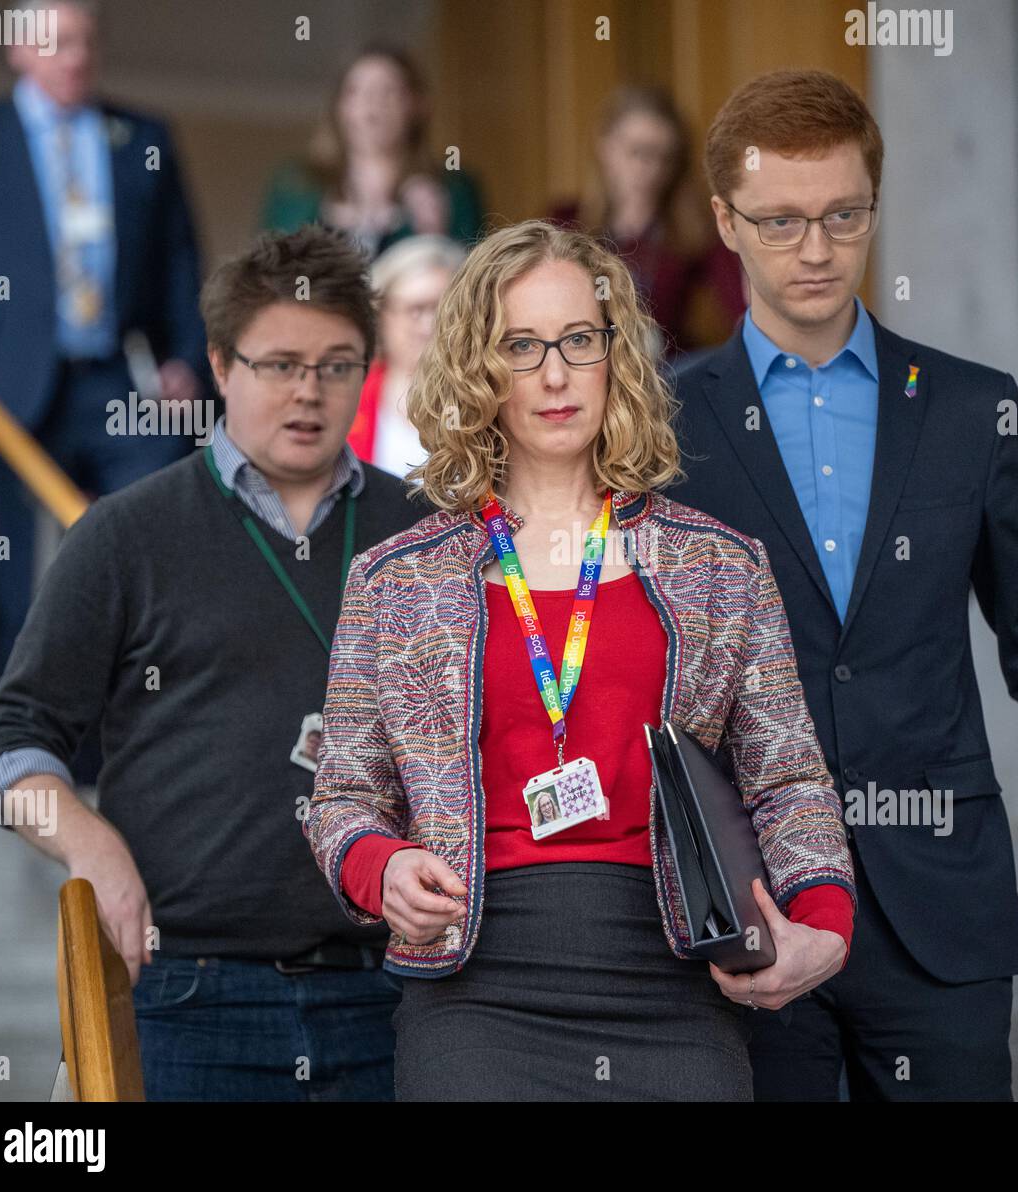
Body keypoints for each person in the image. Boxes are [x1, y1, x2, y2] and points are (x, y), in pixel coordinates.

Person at [665, 69, 1018, 1101]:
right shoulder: (662, 421)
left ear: (874, 206)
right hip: (748, 903)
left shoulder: (974, 409)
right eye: (780, 220)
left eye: (843, 215)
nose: (814, 248)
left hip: (940, 908)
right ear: (723, 220)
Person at [304, 219, 855, 1101]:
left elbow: (787, 775)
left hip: (676, 976)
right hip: (476, 990)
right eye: (520, 346)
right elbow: (344, 795)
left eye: (578, 341)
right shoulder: (396, 579)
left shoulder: (720, 565)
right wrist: (381, 866)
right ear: (477, 370)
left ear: (616, 356)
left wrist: (822, 920)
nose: (555, 374)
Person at [0, 226, 428, 1101]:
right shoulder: (126, 535)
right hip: (186, 995)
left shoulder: (426, 532)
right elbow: (9, 746)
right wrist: (88, 841)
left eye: (337, 364)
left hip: (392, 992)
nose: (309, 391)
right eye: (279, 363)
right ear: (220, 365)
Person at [0, 0, 209, 725]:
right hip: (5, 393)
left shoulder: (143, 137)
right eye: (58, 42)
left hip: (116, 384)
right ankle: (2, 762)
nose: (75, 56)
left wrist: (185, 362)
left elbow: (181, 265)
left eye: (86, 41)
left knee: (142, 560)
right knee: (4, 583)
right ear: (16, 51)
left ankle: (119, 757)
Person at [548, 85, 743, 357]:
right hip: (582, 367)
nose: (649, 168)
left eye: (664, 157)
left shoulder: (693, 229)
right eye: (636, 151)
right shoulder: (566, 223)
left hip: (664, 375)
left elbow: (741, 312)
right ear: (605, 147)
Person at [262, 42, 485, 257]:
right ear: (339, 106)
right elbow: (267, 272)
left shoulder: (455, 189)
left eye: (388, 90)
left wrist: (436, 234)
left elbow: (475, 282)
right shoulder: (296, 185)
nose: (372, 102)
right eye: (355, 91)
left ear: (417, 105)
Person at [346, 234, 465, 475]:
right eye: (416, 310)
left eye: (443, 310)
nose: (429, 325)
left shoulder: (489, 397)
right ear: (381, 315)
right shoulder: (347, 397)